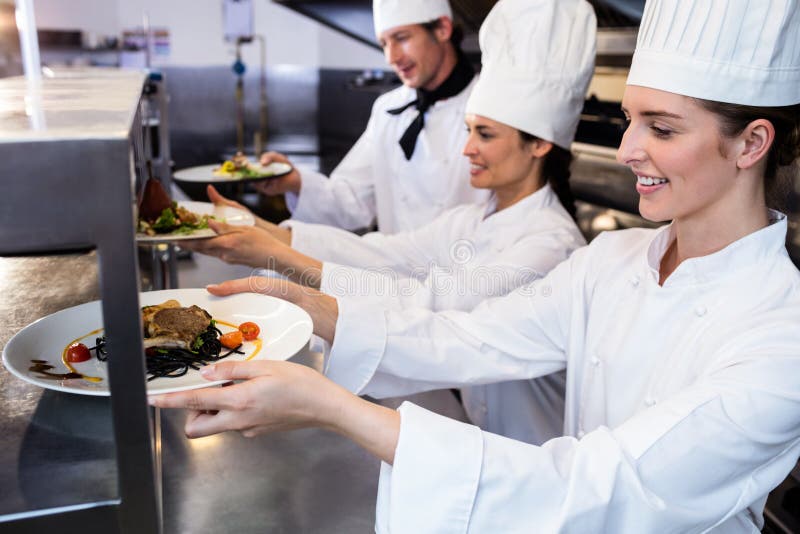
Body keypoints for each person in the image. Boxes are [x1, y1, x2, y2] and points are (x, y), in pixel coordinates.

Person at [152, 0, 800, 531]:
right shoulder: (615, 259)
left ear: (751, 143)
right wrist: (306, 302)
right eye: (631, 121)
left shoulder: (781, 336)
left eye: (661, 129)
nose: (629, 148)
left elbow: (600, 486)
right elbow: (473, 333)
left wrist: (336, 408)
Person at [182, 0, 596, 444]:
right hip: (474, 429)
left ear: (539, 146)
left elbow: (437, 306)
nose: (466, 148)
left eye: (484, 134)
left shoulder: (552, 246)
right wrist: (265, 234)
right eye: (470, 130)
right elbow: (385, 254)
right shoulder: (473, 220)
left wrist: (291, 272)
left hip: (535, 454)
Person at [255, 0, 488, 234]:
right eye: (384, 43)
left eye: (402, 38)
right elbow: (352, 200)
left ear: (442, 29)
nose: (391, 57)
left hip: (471, 268)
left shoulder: (491, 106)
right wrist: (295, 183)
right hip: (397, 268)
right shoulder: (388, 109)